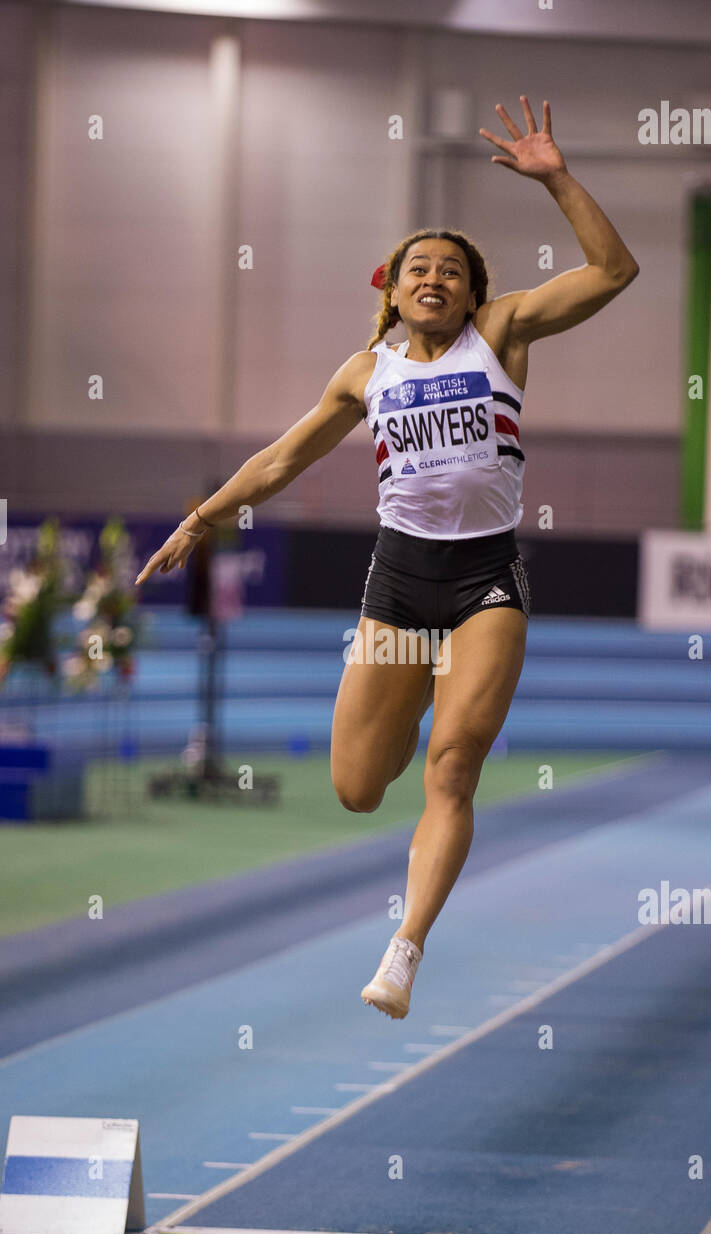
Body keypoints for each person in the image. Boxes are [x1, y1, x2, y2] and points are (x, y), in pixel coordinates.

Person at [135, 96, 639, 1018]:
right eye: (420, 269)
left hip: (485, 582)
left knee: (452, 767)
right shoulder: (366, 372)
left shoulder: (506, 332)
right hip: (399, 585)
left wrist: (555, 176)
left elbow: (613, 269)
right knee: (360, 787)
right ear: (395, 290)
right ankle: (404, 696)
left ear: (472, 292)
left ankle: (405, 947)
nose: (436, 278)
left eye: (452, 270)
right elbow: (283, 457)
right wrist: (202, 517)